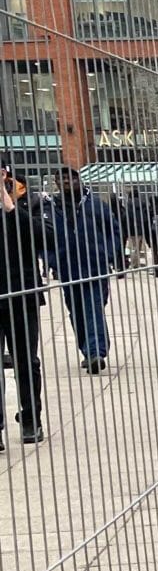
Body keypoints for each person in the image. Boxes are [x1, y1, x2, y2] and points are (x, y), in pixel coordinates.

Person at [44, 166, 121, 374]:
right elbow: (43, 239)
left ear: (79, 180)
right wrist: (53, 260)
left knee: (93, 306)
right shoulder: (51, 208)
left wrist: (108, 255)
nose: (67, 182)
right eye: (62, 179)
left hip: (95, 267)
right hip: (68, 270)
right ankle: (88, 350)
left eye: (71, 178)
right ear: (57, 183)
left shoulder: (95, 204)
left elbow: (113, 230)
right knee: (77, 311)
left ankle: (97, 352)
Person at [0, 158, 45, 445]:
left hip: (21, 296)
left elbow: (46, 238)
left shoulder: (26, 201)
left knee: (25, 362)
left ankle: (31, 418)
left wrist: (11, 208)